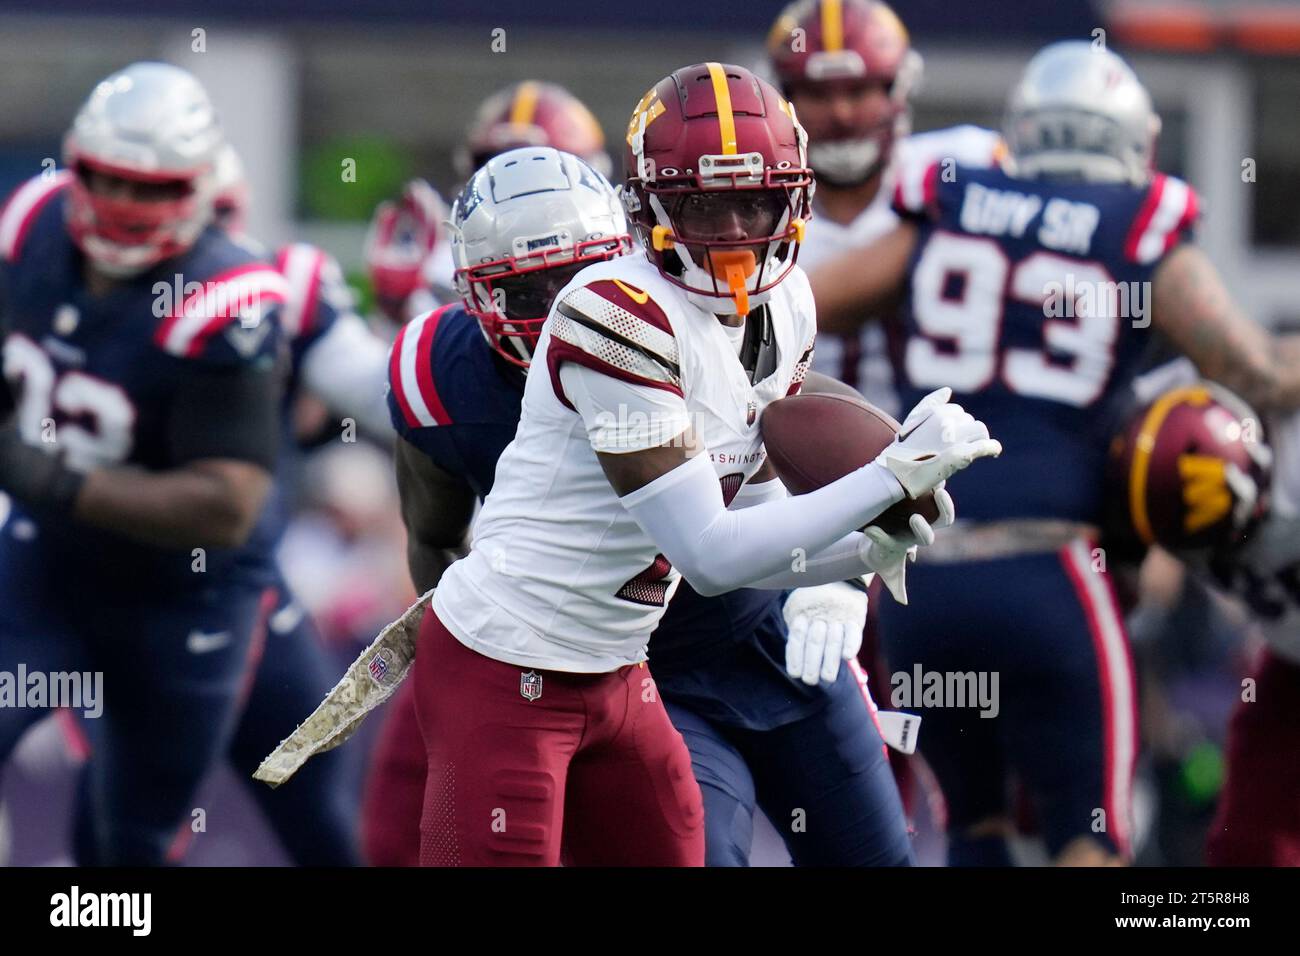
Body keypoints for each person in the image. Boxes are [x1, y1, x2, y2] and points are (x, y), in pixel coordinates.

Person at [399, 62, 998, 866]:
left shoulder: (781, 303)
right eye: (704, 205)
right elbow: (709, 553)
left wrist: (854, 560)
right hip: (533, 662)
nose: (737, 231)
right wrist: (884, 480)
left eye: (757, 200)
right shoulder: (613, 314)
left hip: (625, 667)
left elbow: (748, 490)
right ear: (645, 211)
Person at [807, 41, 1300, 865]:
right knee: (1090, 829)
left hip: (922, 580)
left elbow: (807, 310)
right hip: (1054, 573)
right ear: (1130, 141)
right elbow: (1249, 367)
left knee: (974, 825)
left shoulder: (950, 208)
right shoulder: (1136, 224)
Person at [0, 62, 287, 864]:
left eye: (152, 188)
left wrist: (50, 478)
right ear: (74, 166)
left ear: (199, 187)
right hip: (48, 563)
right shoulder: (30, 225)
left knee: (125, 840)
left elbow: (226, 503)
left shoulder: (224, 293)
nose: (126, 205)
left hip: (182, 600)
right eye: (109, 180)